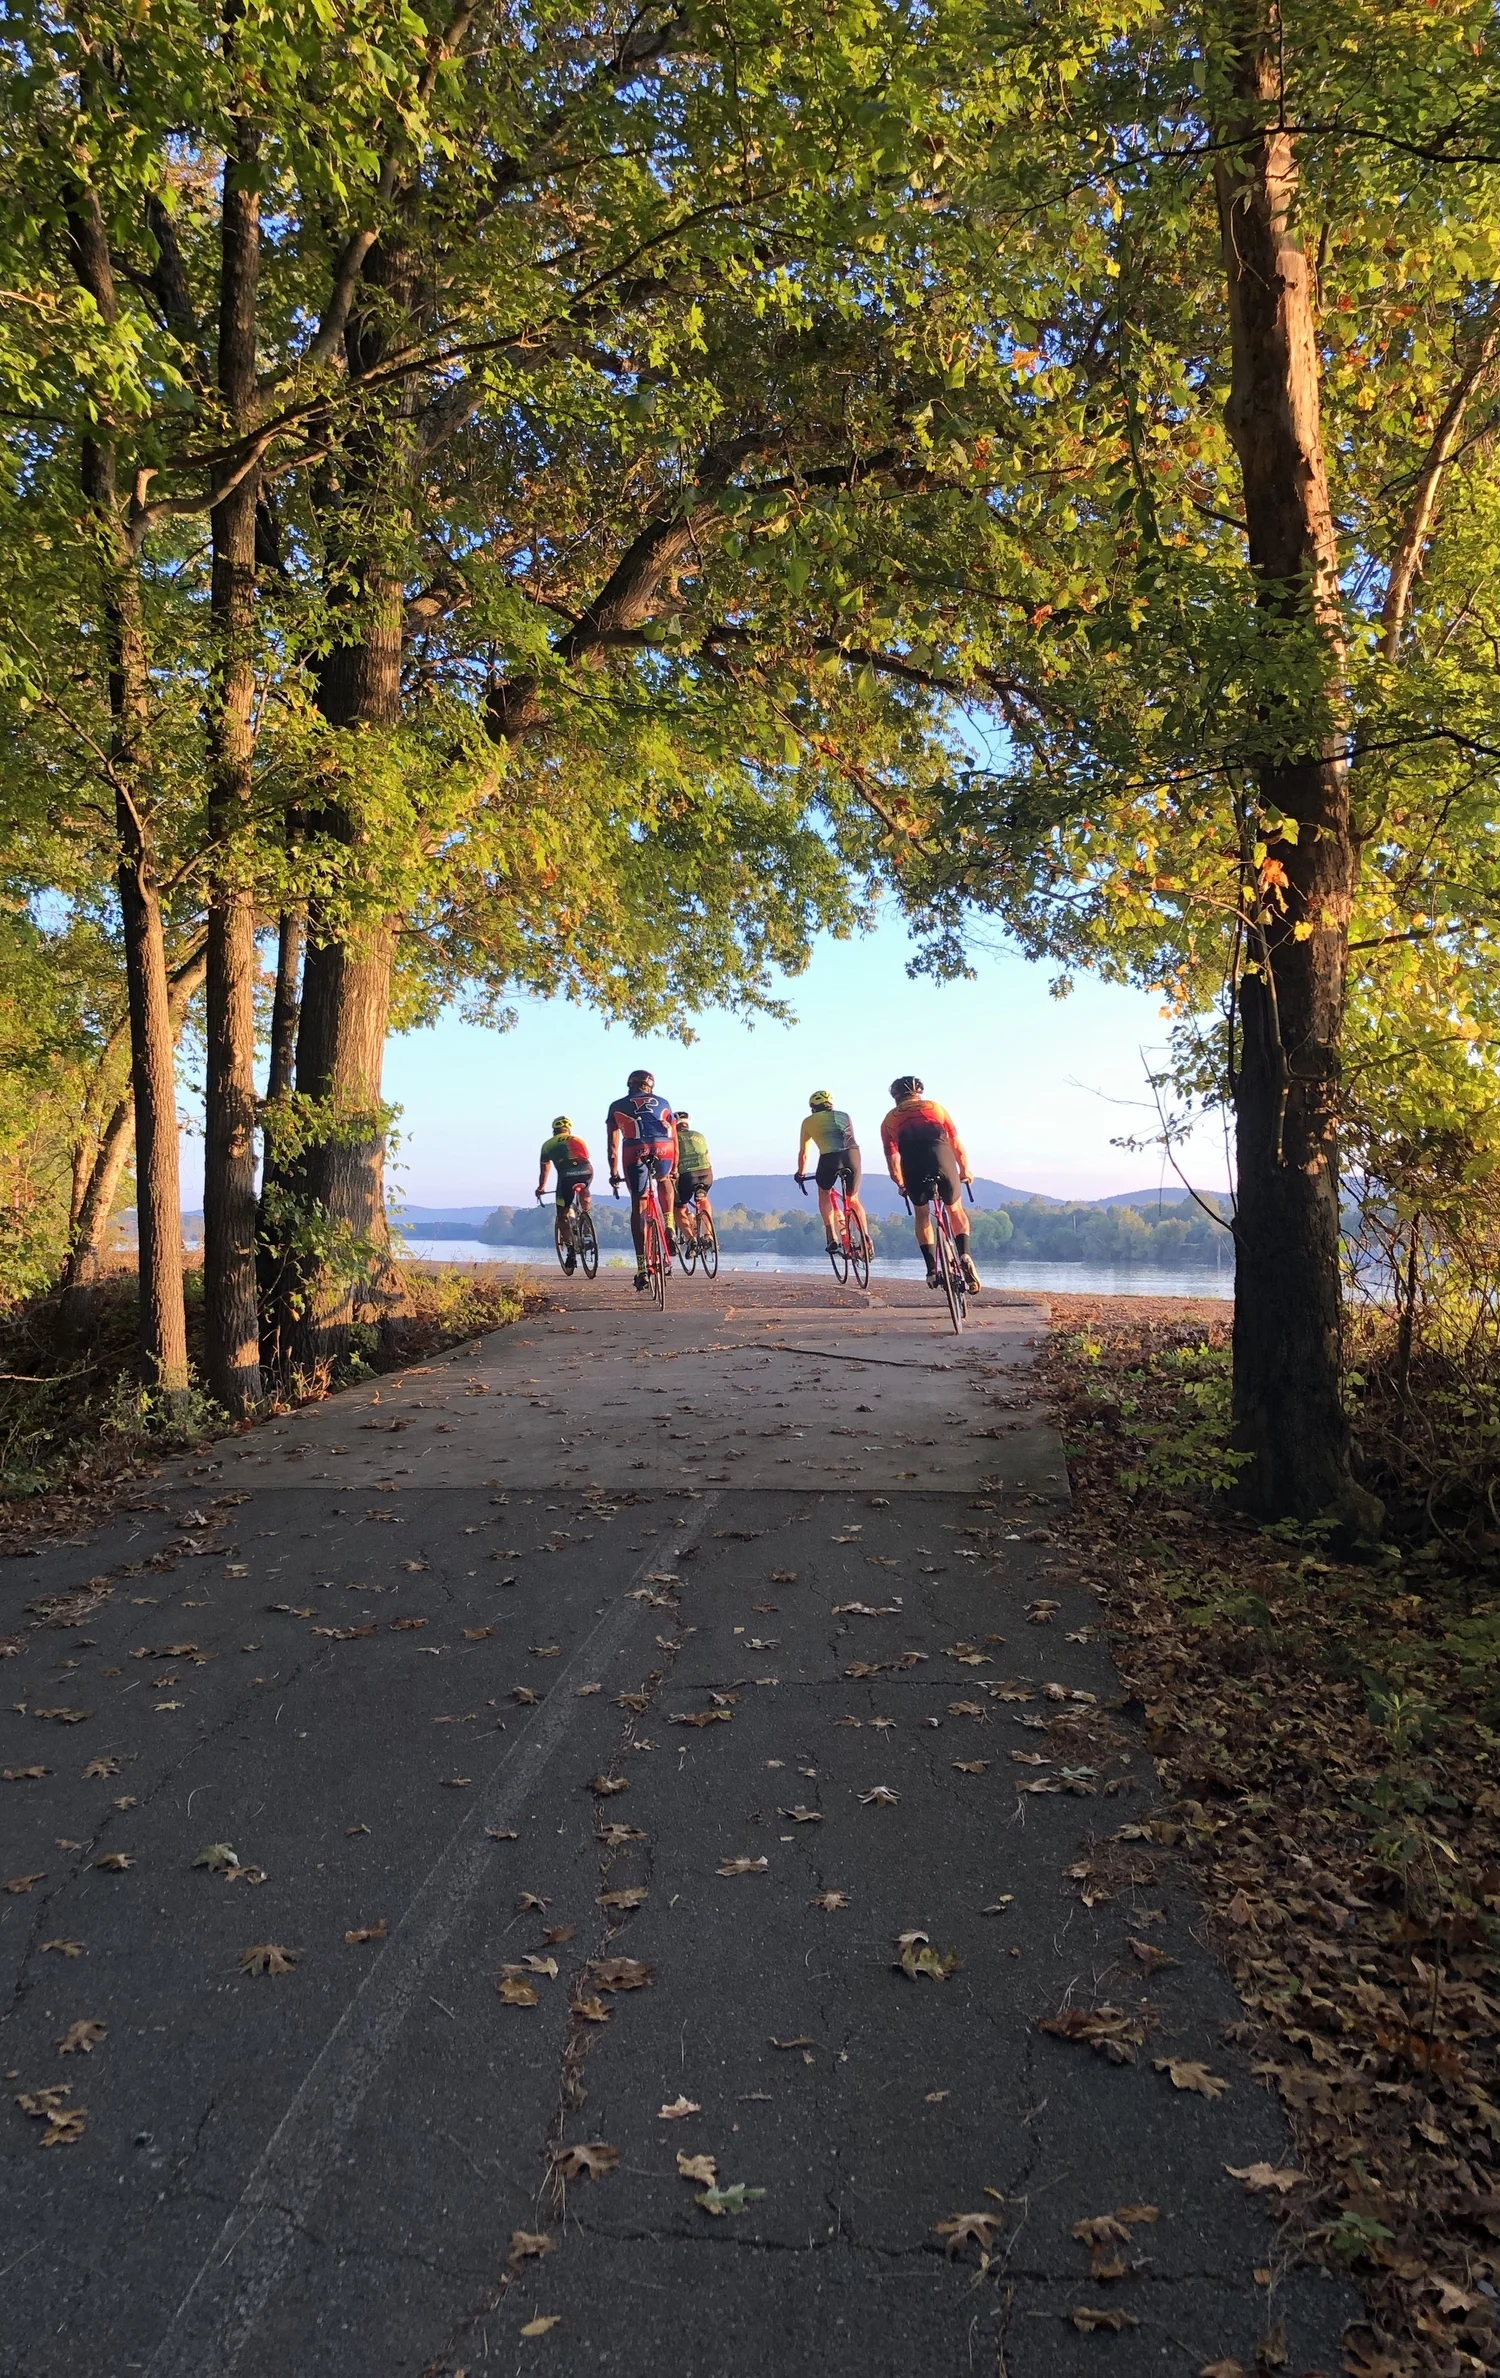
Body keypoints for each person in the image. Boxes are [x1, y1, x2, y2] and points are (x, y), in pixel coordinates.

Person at [879, 1075, 981, 1292]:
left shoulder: (888, 1120)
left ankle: (932, 1270)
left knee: (923, 1215)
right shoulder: (937, 1108)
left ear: (896, 1097)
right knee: (955, 1210)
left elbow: (892, 1161)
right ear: (919, 1093)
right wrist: (964, 1171)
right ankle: (964, 1254)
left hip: (913, 1166)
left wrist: (900, 1184)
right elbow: (956, 1144)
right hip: (942, 1159)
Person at [605, 1068, 678, 1290]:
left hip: (634, 1148)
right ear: (651, 1087)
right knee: (664, 1180)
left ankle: (641, 1268)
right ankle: (670, 1224)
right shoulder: (664, 1101)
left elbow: (612, 1147)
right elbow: (674, 1137)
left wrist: (613, 1173)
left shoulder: (617, 1105)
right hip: (665, 1147)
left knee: (638, 1204)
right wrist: (674, 1166)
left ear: (630, 1086)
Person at [794, 1090, 871, 1256]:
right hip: (852, 1155)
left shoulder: (808, 1122)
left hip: (829, 1158)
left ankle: (832, 1236)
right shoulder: (844, 1115)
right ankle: (865, 1236)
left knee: (824, 1192)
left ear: (813, 1108)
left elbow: (804, 1154)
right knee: (853, 1199)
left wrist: (800, 1173)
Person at [534, 1116, 593, 1274]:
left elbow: (545, 1170)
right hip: (587, 1170)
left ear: (554, 1131)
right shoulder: (580, 1140)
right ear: (569, 1130)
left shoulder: (548, 1145)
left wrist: (541, 1187)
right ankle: (586, 1221)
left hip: (566, 1175)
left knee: (562, 1214)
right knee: (585, 1188)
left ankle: (571, 1251)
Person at [672, 1111, 714, 1251]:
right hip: (707, 1173)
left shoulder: (673, 1138)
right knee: (703, 1200)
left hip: (687, 1175)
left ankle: (691, 1240)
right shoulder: (699, 1135)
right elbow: (707, 1157)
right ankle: (708, 1235)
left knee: (679, 1208)